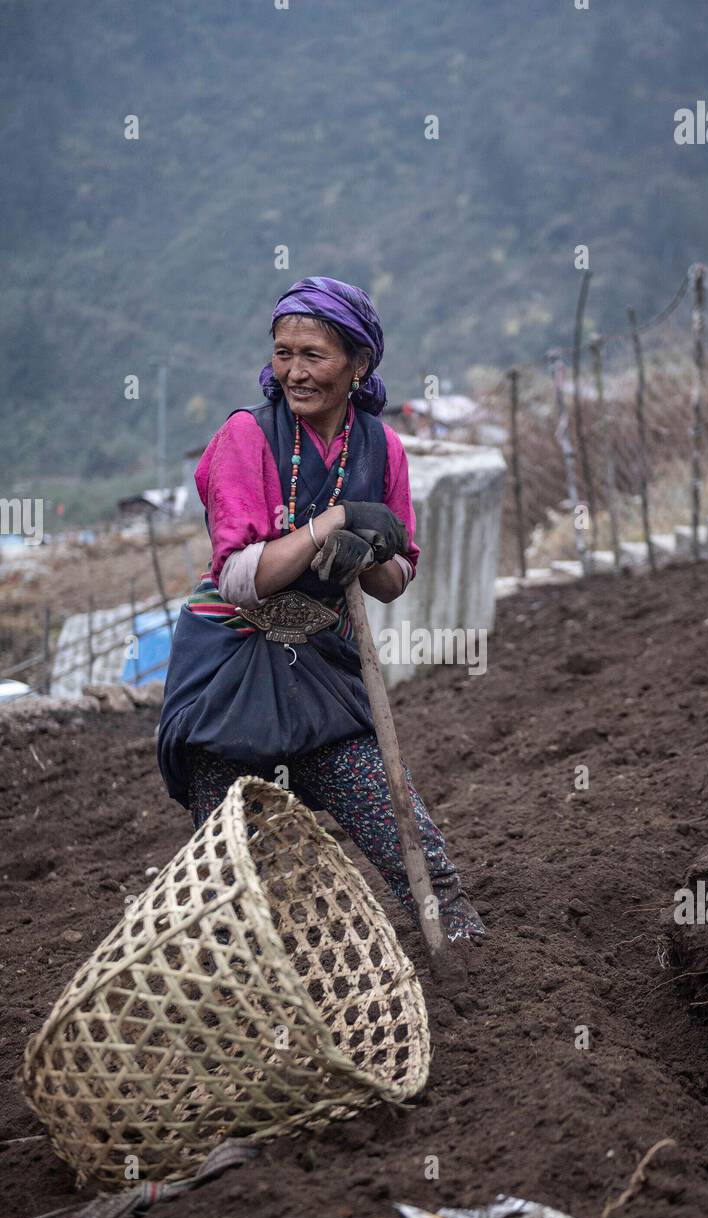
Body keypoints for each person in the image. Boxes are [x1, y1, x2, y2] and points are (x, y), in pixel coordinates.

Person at [157, 276, 485, 943]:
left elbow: (395, 580)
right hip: (233, 671)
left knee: (404, 832)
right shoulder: (247, 437)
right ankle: (244, 994)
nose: (294, 373)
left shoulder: (381, 448)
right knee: (233, 871)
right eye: (283, 353)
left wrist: (369, 553)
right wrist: (330, 525)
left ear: (358, 364)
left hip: (323, 669)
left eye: (314, 355)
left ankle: (468, 963)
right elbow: (244, 578)